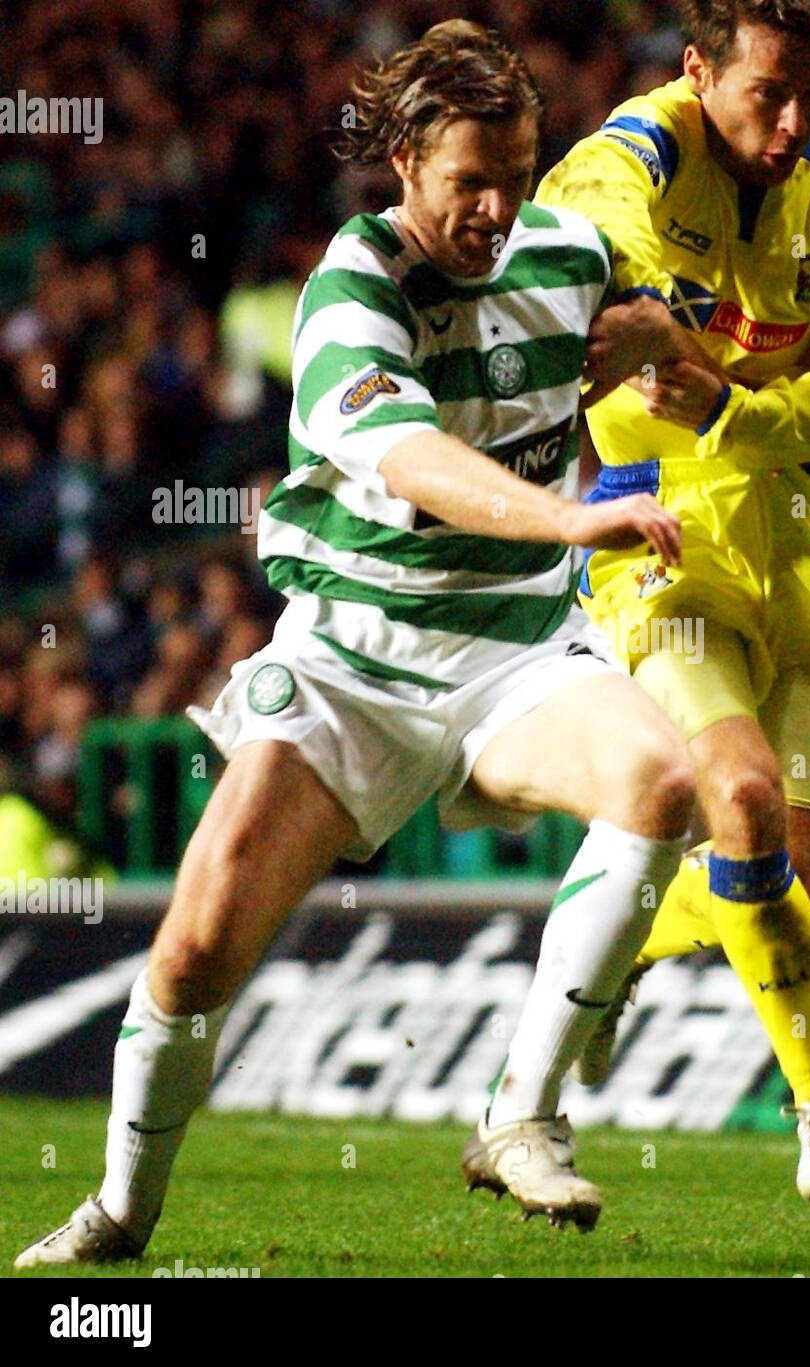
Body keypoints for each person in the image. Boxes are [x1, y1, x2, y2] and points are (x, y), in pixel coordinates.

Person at [15, 21, 698, 1264]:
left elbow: (695, 340)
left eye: (518, 172)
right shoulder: (351, 292)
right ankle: (119, 1208)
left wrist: (664, 344)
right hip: (352, 670)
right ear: (402, 162)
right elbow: (423, 464)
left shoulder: (573, 252)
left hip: (517, 656)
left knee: (663, 781)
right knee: (199, 940)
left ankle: (521, 1112)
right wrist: (567, 513)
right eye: (467, 182)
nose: (497, 209)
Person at [528, 0, 810, 1207]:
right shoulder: (635, 150)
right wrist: (641, 300)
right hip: (656, 524)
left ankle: (624, 939)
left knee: (796, 861)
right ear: (697, 72)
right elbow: (587, 214)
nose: (796, 124)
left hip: (785, 522)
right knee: (735, 792)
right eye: (768, 95)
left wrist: (734, 410)